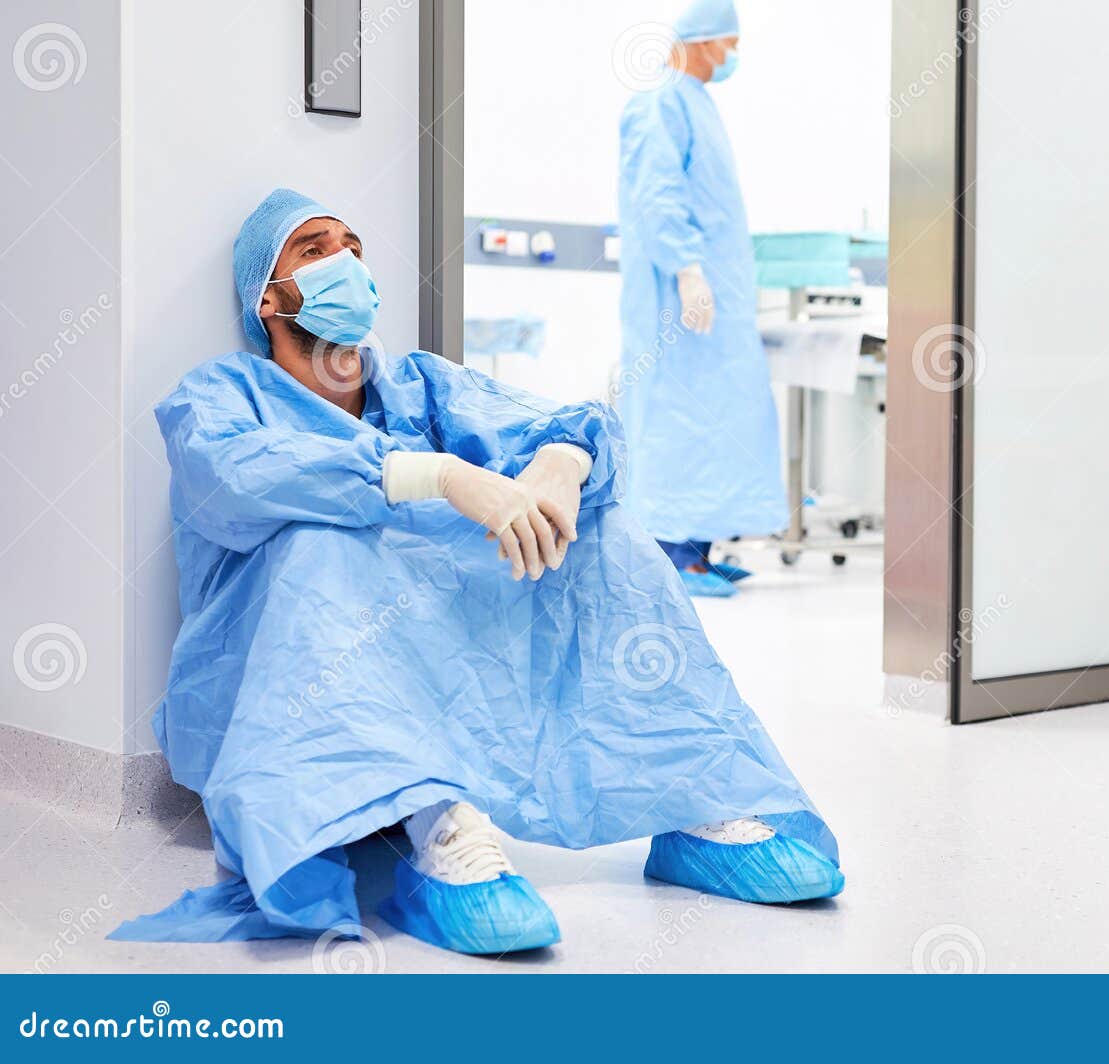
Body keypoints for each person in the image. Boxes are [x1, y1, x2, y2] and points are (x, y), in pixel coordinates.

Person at [109, 188, 842, 957]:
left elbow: (548, 423)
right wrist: (432, 477)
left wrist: (563, 461)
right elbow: (240, 475)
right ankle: (440, 829)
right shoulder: (223, 396)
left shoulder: (419, 385)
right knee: (322, 543)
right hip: (287, 677)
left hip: (438, 649)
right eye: (315, 251)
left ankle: (697, 800)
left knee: (600, 529)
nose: (345, 262)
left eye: (352, 245)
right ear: (268, 295)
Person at [617, 0, 784, 597]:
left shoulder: (698, 105)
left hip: (716, 298)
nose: (732, 55)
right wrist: (686, 268)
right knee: (680, 416)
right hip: (675, 296)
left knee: (718, 417)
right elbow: (658, 195)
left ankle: (702, 551)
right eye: (729, 43)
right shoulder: (661, 102)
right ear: (704, 40)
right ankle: (672, 555)